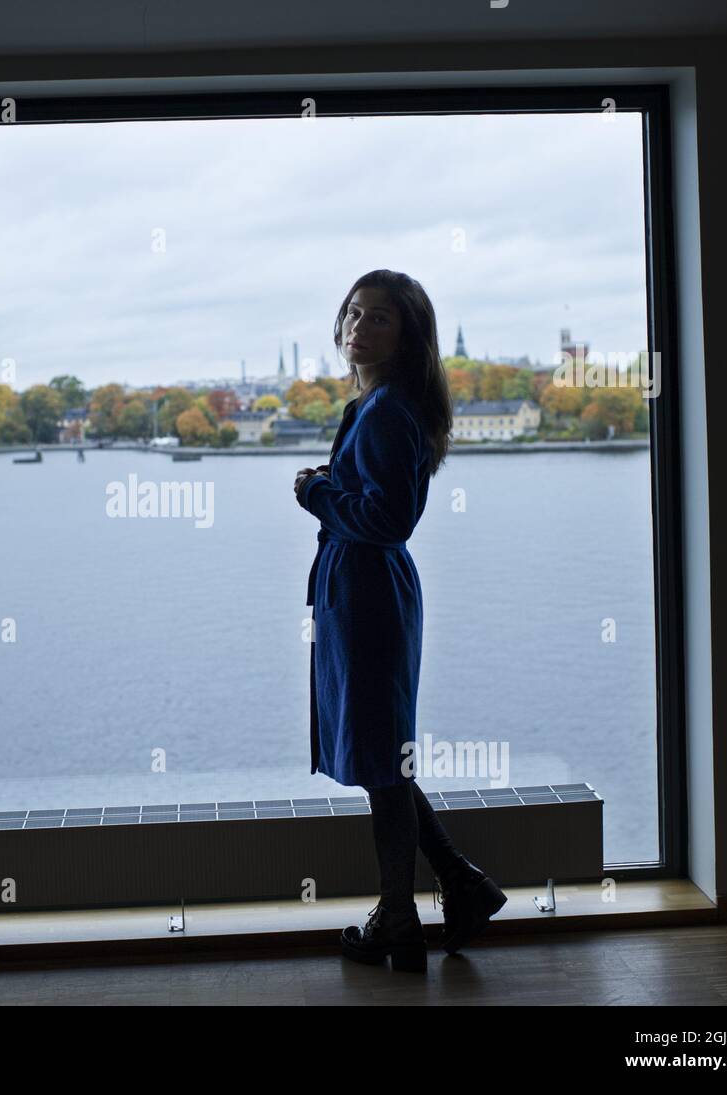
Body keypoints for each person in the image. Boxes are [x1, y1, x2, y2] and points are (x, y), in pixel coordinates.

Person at [294, 269, 507, 972]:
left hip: (369, 598)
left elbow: (388, 518)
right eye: (353, 312)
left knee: (383, 763)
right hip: (362, 592)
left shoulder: (387, 410)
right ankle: (448, 891)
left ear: (408, 334)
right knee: (383, 759)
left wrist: (319, 492)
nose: (358, 325)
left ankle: (402, 917)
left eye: (379, 317)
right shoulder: (381, 402)